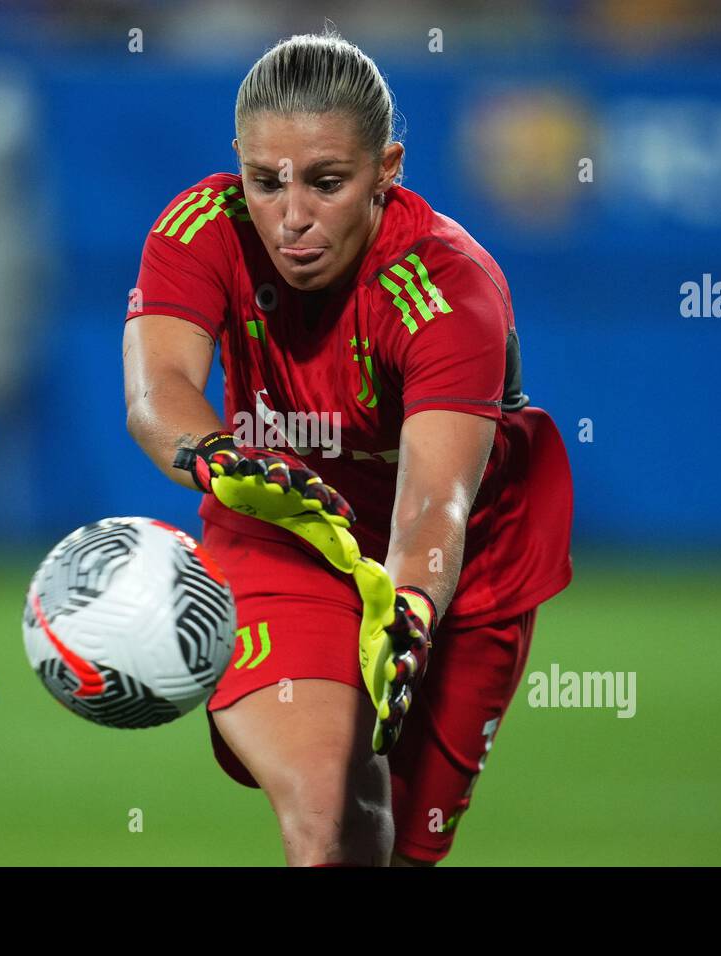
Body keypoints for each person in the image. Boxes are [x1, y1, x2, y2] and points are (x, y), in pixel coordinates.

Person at [122, 31, 572, 866]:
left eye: (328, 182)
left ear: (389, 167)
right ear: (239, 166)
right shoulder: (200, 229)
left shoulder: (447, 288)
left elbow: (435, 501)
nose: (292, 215)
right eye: (266, 180)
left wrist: (410, 612)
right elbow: (157, 398)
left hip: (465, 568)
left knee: (397, 847)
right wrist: (220, 457)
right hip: (285, 534)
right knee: (333, 812)